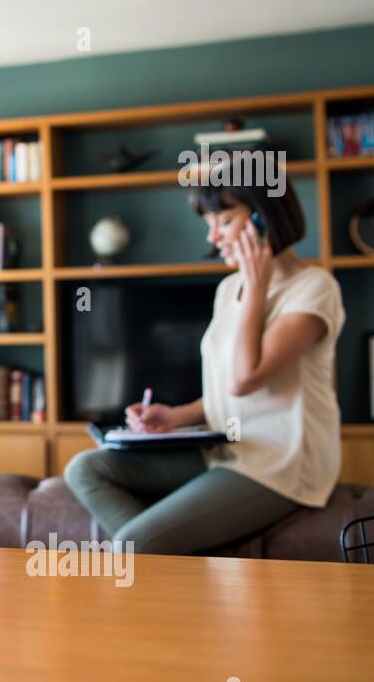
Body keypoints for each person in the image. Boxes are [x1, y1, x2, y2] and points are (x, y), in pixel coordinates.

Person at [63, 173, 345, 555]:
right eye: (209, 224)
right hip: (223, 450)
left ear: (265, 217)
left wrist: (257, 288)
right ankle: (183, 566)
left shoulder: (313, 287)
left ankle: (158, 558)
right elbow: (225, 390)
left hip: (279, 462)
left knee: (132, 545)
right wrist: (176, 416)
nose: (213, 238)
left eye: (225, 221)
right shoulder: (229, 290)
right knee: (85, 469)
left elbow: (245, 380)